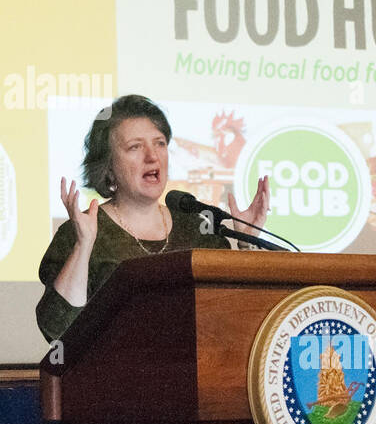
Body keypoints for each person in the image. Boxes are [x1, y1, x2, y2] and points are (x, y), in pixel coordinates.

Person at [36, 94, 270, 342]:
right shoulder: (83, 231)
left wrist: (247, 242)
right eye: (135, 147)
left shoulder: (197, 228)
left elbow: (241, 316)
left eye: (159, 143)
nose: (152, 156)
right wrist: (83, 246)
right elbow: (57, 330)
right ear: (108, 167)